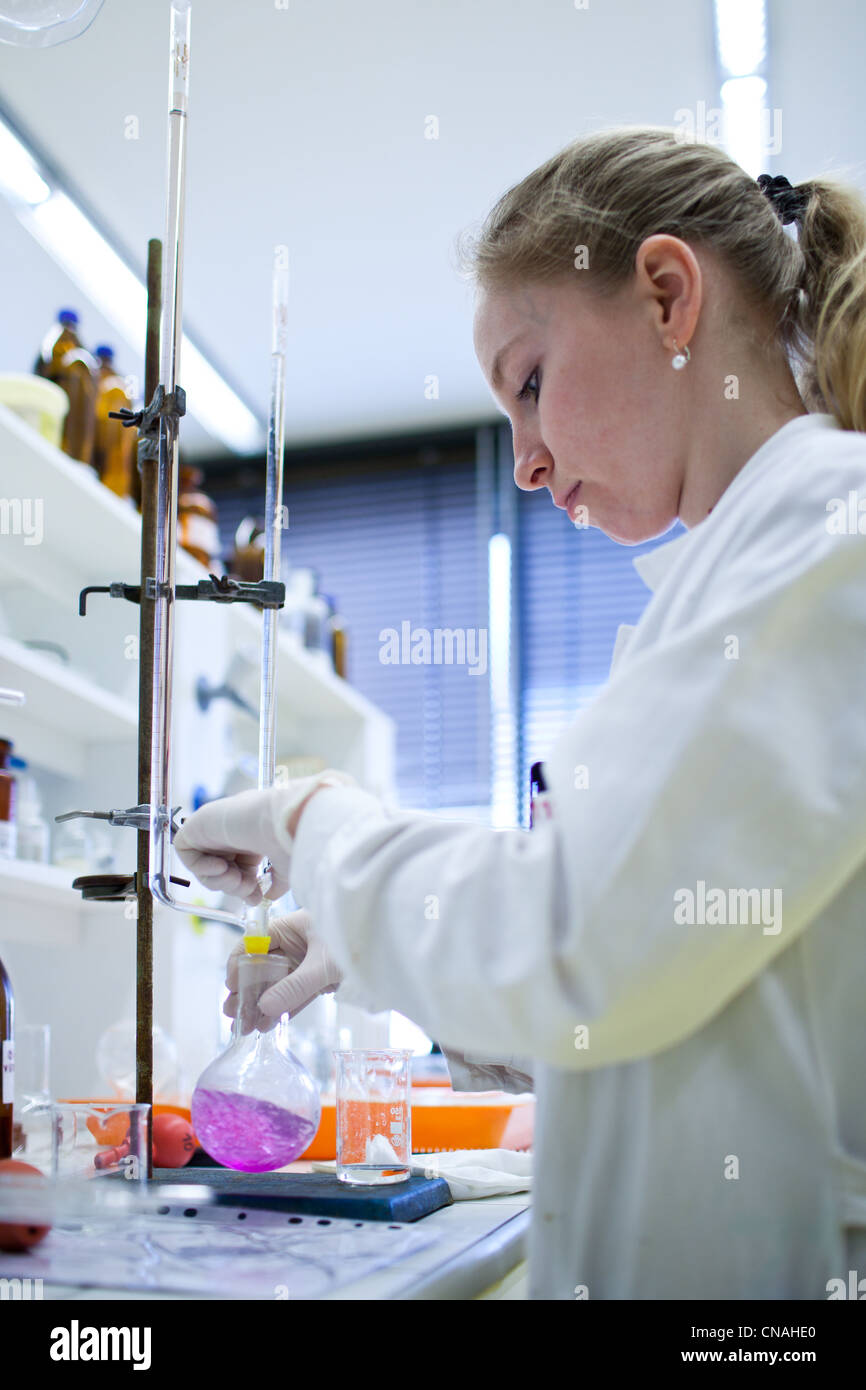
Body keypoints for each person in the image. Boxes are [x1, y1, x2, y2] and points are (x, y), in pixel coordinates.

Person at [174, 127, 866, 1300]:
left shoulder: (822, 537)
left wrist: (318, 823)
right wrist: (369, 948)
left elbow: (579, 939)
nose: (526, 467)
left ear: (664, 293)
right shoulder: (726, 581)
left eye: (530, 382)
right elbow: (650, 986)